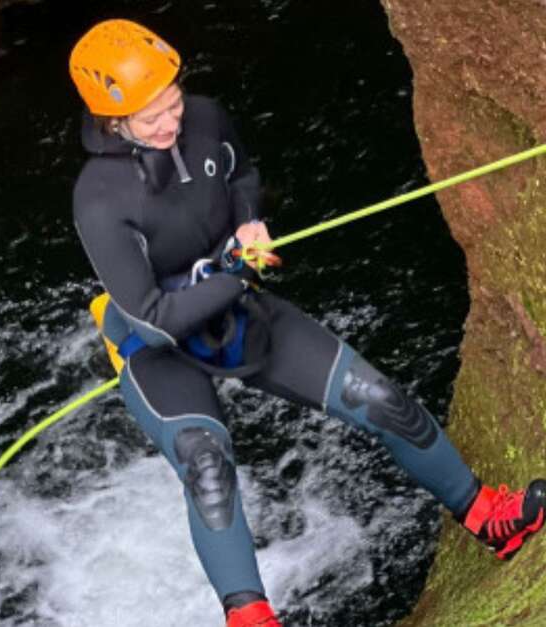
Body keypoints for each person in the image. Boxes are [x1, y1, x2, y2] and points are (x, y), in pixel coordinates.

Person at [67, 19, 545, 627]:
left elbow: (242, 176)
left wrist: (248, 223)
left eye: (172, 103)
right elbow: (157, 321)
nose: (170, 123)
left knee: (377, 398)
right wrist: (237, 275)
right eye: (150, 118)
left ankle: (486, 516)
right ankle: (252, 619)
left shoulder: (206, 118)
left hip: (235, 310)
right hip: (157, 348)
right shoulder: (99, 199)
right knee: (208, 468)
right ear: (113, 122)